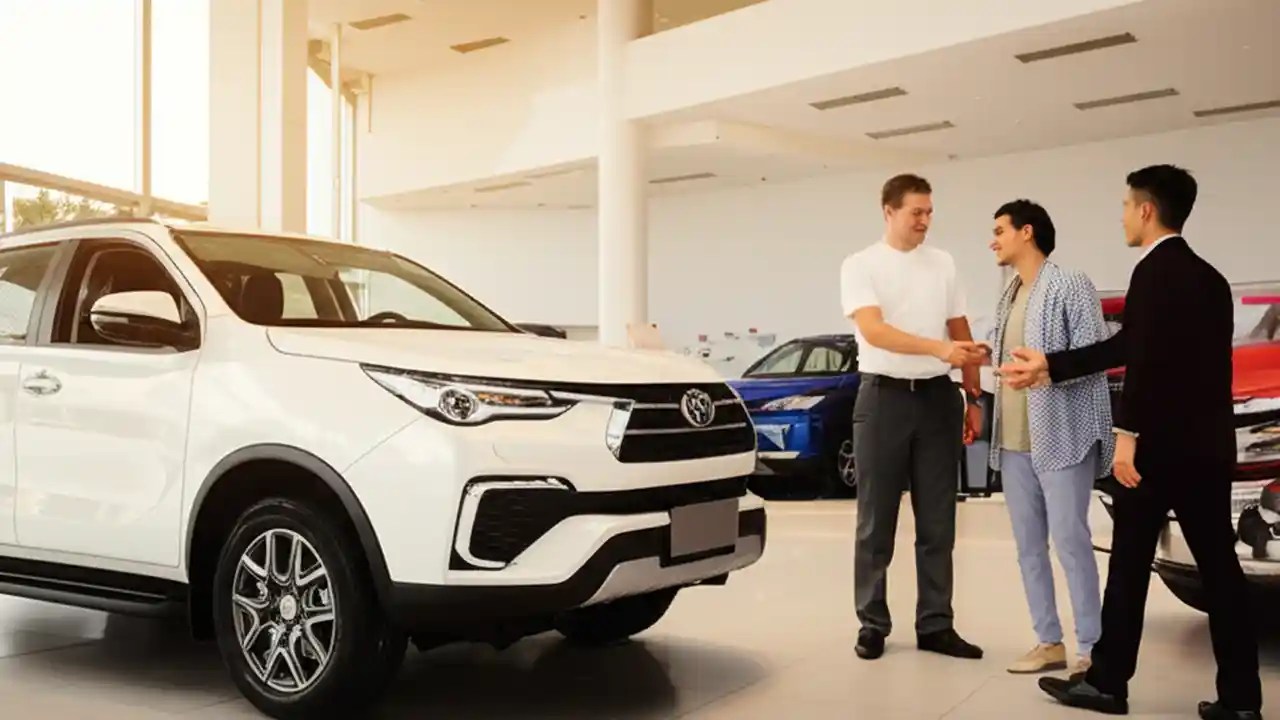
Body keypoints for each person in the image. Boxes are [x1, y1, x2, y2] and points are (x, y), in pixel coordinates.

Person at [1001, 165, 1263, 720]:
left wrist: (1126, 438)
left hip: (1157, 451)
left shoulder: (1152, 273)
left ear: (1147, 210)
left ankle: (1107, 683)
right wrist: (1051, 364)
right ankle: (1241, 700)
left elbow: (1143, 365)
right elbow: (1141, 350)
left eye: (1125, 205)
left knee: (1128, 567)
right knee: (1221, 572)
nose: (1121, 215)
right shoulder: (1211, 279)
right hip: (1209, 448)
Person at [841, 172, 986, 662]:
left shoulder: (942, 263)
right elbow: (874, 331)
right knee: (875, 520)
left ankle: (936, 624)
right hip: (882, 399)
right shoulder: (860, 265)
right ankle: (872, 623)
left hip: (937, 399)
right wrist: (939, 348)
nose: (925, 221)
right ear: (889, 211)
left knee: (939, 520)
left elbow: (958, 326)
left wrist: (973, 393)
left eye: (929, 212)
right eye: (915, 213)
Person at [983, 199, 1109, 677]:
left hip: (1063, 436)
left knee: (1070, 541)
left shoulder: (1070, 283)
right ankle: (1047, 640)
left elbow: (1094, 356)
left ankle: (1093, 646)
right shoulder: (1009, 291)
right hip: (1014, 440)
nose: (993, 240)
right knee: (1028, 545)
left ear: (1027, 232)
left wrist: (1047, 374)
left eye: (999, 230)